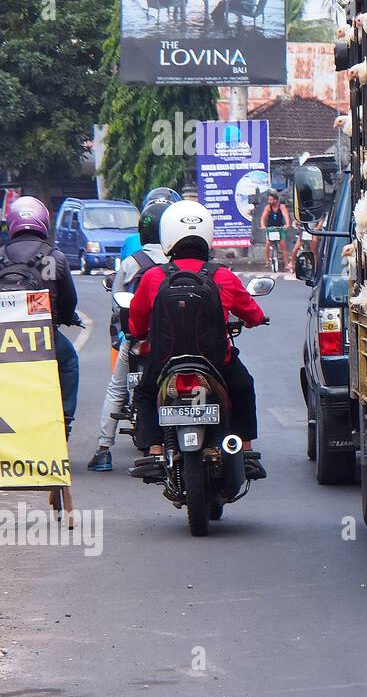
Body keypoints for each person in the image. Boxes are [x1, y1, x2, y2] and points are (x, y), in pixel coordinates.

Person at [127, 201, 268, 482]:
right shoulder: (222, 276)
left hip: (164, 364)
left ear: (167, 236)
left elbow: (136, 324)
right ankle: (246, 450)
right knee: (243, 387)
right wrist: (256, 320)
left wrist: (138, 334)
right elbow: (253, 315)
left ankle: (155, 449)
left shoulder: (153, 277)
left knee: (143, 393)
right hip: (216, 363)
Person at [1, 197, 79, 523]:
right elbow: (70, 300)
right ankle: (63, 422)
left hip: (4, 343)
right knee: (70, 360)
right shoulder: (56, 257)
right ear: (44, 223)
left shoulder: (1, 255)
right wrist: (68, 316)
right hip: (42, 342)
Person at [88, 194, 176, 472]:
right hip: (176, 339)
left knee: (116, 387)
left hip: (139, 340)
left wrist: (129, 333)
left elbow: (117, 303)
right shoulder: (179, 261)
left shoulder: (131, 263)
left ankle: (103, 450)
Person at [260, 191, 291, 271]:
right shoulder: (268, 207)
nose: (269, 201)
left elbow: (286, 216)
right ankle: (267, 261)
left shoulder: (282, 207)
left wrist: (287, 224)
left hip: (280, 228)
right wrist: (263, 225)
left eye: (271, 200)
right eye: (269, 200)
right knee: (267, 243)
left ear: (276, 200)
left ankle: (287, 264)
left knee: (283, 244)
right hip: (270, 228)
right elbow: (263, 217)